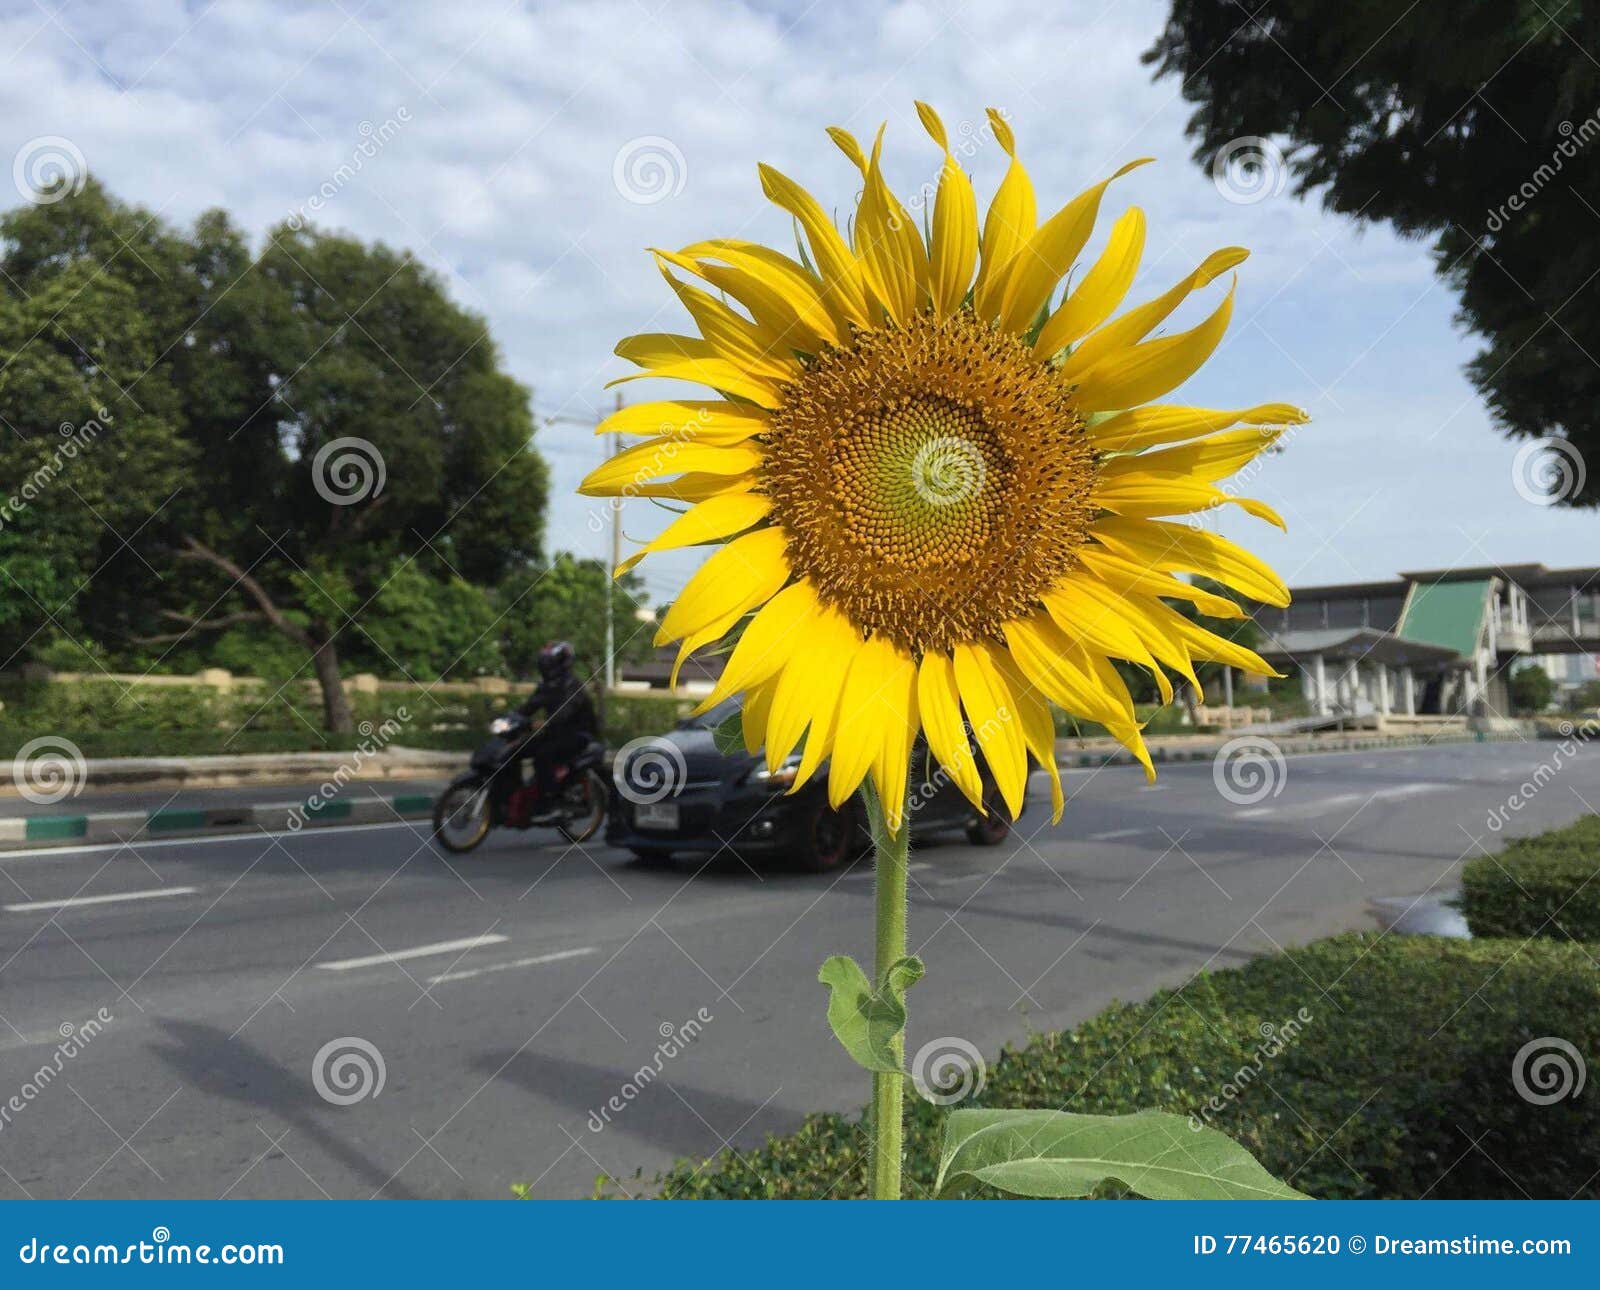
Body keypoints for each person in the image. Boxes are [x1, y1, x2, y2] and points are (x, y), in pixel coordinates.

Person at [512, 640, 598, 824]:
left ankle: (549, 802)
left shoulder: (571, 686)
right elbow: (530, 706)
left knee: (543, 755)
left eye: (548, 663)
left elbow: (563, 713)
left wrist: (544, 723)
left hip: (578, 735)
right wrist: (511, 718)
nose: (545, 666)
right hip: (555, 733)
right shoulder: (547, 685)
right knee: (516, 750)